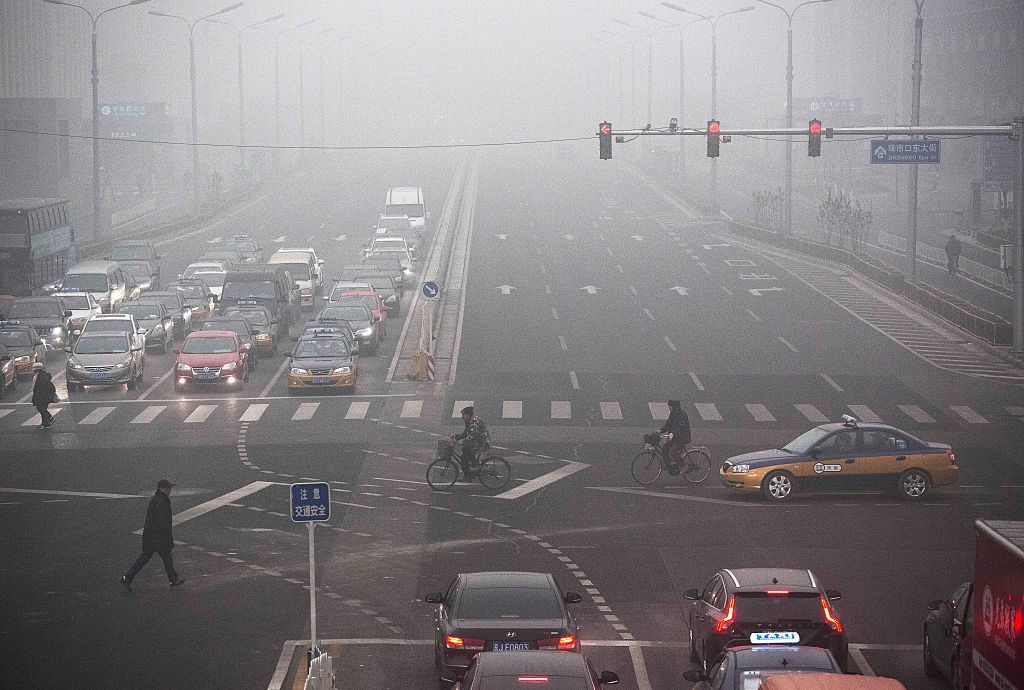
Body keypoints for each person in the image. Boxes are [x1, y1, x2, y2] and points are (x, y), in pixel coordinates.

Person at [121, 479, 185, 591]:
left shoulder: (158, 500)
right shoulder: (161, 502)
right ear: (162, 489)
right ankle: (173, 581)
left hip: (151, 537)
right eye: (168, 488)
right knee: (166, 559)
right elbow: (161, 522)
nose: (170, 490)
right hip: (158, 538)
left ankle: (127, 578)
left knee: (146, 559)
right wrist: (165, 538)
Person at [659, 400, 692, 475]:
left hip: (683, 438)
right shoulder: (673, 414)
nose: (669, 408)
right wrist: (660, 430)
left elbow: (681, 427)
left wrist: (672, 434)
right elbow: (668, 424)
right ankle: (668, 464)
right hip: (675, 437)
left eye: (670, 407)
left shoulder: (682, 414)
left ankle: (684, 466)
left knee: (672, 451)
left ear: (674, 407)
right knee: (664, 448)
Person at [30, 364, 56, 429]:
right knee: (42, 409)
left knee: (41, 409)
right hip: (43, 396)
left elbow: (39, 388)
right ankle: (45, 423)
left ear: (36, 370)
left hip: (42, 396)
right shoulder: (40, 375)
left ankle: (48, 419)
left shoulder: (41, 377)